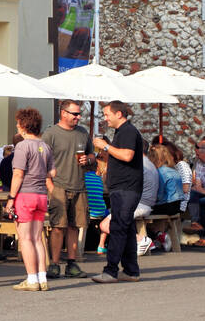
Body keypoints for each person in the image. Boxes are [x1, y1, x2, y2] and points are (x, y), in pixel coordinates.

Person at [91, 101, 144, 283]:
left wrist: (105, 146)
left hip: (126, 188)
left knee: (118, 227)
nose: (105, 118)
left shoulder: (128, 131)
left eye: (107, 114)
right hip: (121, 188)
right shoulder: (121, 132)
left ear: (118, 114)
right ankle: (130, 271)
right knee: (127, 229)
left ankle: (111, 270)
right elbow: (120, 155)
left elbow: (127, 155)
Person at [42, 99, 93, 280]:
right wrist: (50, 185)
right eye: (75, 114)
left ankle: (72, 264)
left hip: (79, 186)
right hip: (59, 187)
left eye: (79, 114)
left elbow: (92, 155)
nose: (78, 117)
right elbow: (42, 161)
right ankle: (54, 264)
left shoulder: (82, 133)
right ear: (63, 113)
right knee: (58, 227)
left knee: (74, 226)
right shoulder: (50, 134)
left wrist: (88, 159)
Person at [6, 108, 53, 292]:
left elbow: (18, 174)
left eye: (18, 123)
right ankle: (42, 278)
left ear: (24, 126)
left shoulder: (22, 146)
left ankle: (31, 279)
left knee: (25, 239)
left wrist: (10, 198)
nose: (17, 126)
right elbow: (53, 172)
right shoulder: (45, 146)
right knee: (37, 239)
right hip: (41, 195)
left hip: (25, 195)